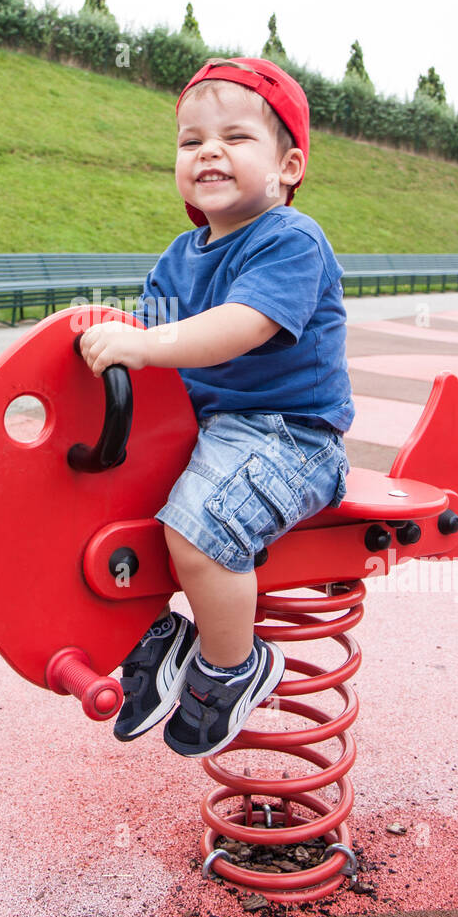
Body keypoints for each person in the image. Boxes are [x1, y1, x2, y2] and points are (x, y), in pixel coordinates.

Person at [78, 56, 354, 757]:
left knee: (200, 527)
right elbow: (151, 354)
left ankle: (232, 666)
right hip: (207, 433)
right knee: (91, 512)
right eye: (191, 140)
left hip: (290, 437)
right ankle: (156, 640)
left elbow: (241, 324)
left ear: (288, 166)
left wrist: (148, 345)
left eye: (235, 137)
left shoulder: (291, 240)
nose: (209, 151)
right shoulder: (178, 257)